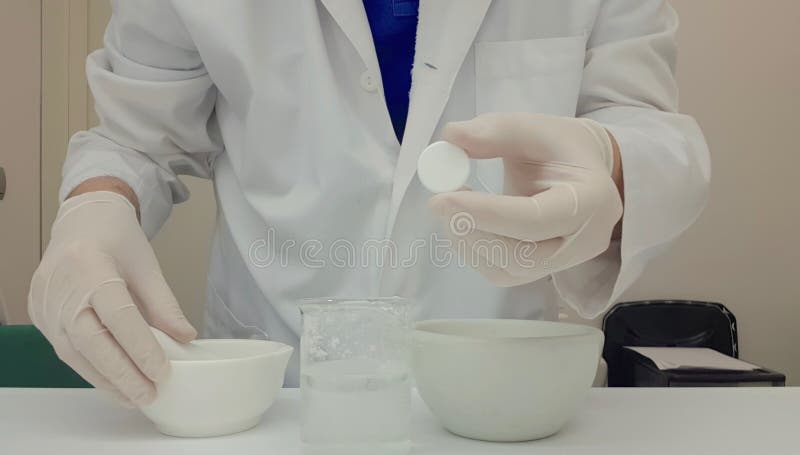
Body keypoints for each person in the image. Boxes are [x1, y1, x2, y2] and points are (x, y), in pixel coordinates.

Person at [28, 0, 709, 405]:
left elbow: (645, 122)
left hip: (504, 400)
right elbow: (134, 137)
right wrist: (95, 209)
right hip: (277, 395)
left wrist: (612, 164)